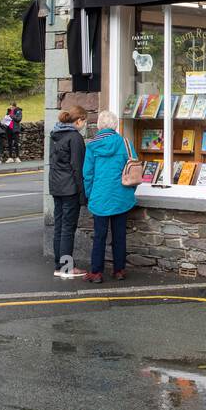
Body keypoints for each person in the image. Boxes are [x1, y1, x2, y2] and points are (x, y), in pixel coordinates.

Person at [82, 110, 137, 283]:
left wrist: (90, 194)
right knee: (119, 235)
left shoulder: (92, 146)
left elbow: (88, 174)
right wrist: (130, 191)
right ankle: (119, 270)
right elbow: (134, 170)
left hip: (100, 196)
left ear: (99, 126)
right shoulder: (125, 143)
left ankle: (96, 272)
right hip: (121, 196)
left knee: (99, 236)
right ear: (115, 125)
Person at [49, 108, 87, 278]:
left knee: (59, 226)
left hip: (56, 186)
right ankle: (66, 267)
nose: (84, 124)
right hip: (70, 188)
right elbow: (78, 168)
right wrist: (82, 193)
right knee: (68, 228)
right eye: (84, 121)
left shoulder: (55, 135)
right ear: (78, 120)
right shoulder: (75, 138)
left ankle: (59, 264)